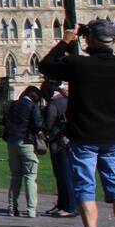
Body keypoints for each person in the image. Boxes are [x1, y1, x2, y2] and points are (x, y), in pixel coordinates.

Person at [39, 20, 115, 227]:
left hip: (85, 136)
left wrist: (67, 39)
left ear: (89, 39)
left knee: (85, 188)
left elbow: (45, 65)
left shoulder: (79, 65)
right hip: (114, 136)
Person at [4, 85, 44, 217]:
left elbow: (5, 121)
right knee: (30, 177)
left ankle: (11, 207)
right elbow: (38, 125)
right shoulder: (33, 106)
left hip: (12, 143)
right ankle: (31, 210)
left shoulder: (12, 105)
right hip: (27, 143)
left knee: (15, 177)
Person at [42, 84, 76, 218]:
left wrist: (44, 131)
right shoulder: (69, 100)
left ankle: (70, 207)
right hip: (70, 141)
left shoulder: (54, 104)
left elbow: (49, 123)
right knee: (67, 175)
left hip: (58, 143)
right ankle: (63, 204)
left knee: (63, 175)